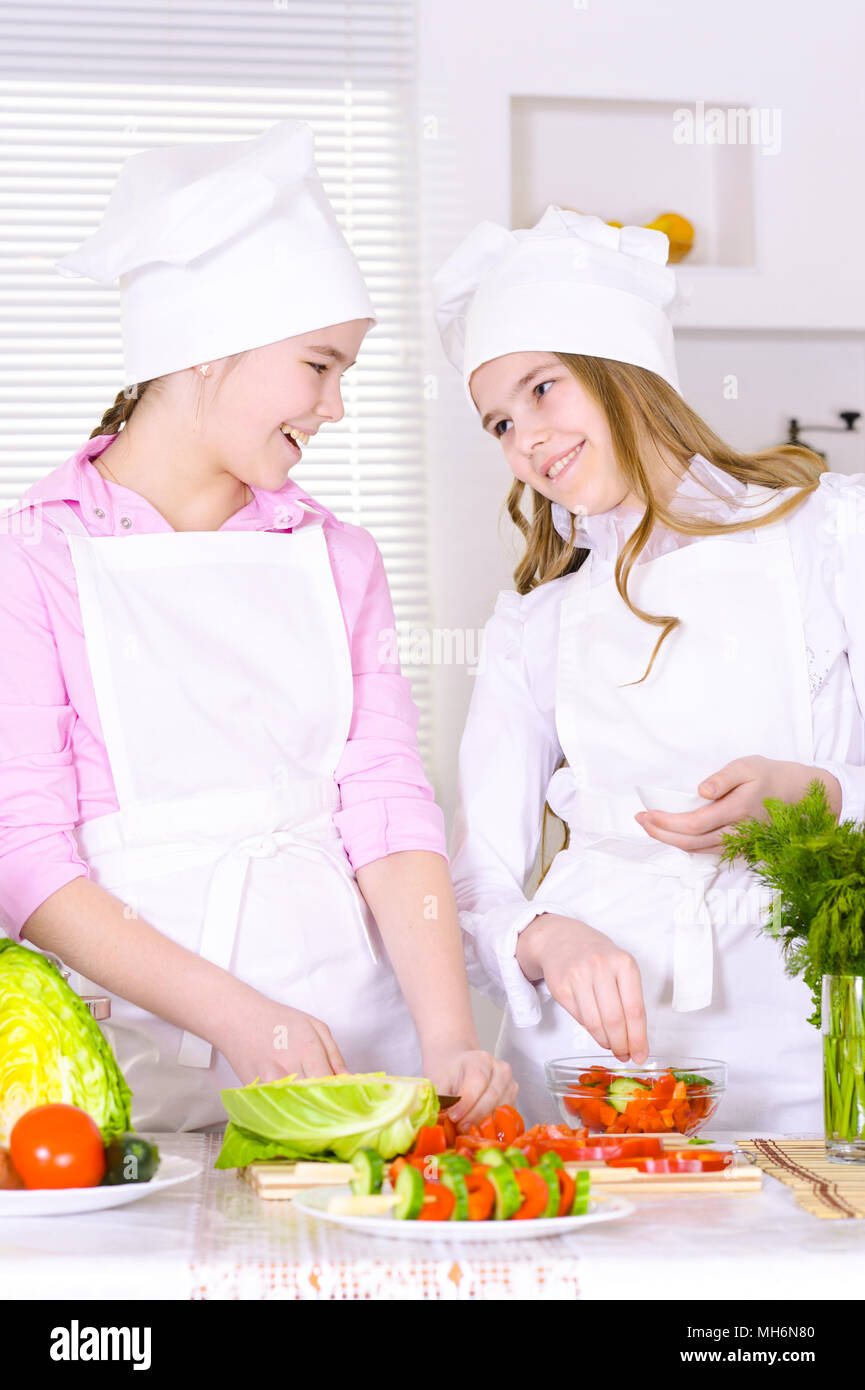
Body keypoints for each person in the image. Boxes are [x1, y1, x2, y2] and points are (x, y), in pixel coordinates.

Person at [0, 120, 514, 1131]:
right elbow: (23, 854)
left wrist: (447, 1034)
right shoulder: (33, 558)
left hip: (349, 1040)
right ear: (204, 350)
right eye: (319, 366)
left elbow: (386, 804)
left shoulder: (340, 555)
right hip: (135, 1062)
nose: (333, 407)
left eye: (345, 373)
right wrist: (236, 1015)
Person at [432, 204, 865, 1129]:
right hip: (590, 1063)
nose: (525, 443)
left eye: (541, 389)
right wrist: (542, 935)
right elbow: (477, 878)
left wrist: (816, 793)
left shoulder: (827, 534)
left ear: (623, 369)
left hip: (807, 1042)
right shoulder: (535, 619)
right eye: (498, 422)